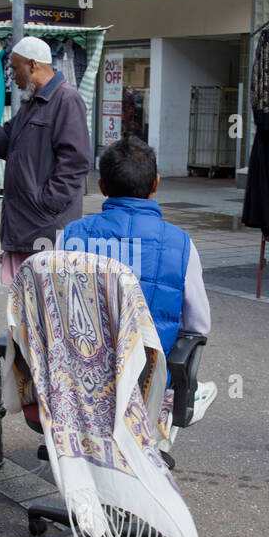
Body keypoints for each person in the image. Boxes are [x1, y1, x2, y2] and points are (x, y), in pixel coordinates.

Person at [59, 137, 216, 426]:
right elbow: (197, 326)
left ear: (103, 187)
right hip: (145, 383)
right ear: (156, 183)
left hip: (77, 378)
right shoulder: (180, 244)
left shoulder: (70, 236)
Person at [0, 36, 90, 285]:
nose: (12, 76)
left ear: (33, 65)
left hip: (44, 225)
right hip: (25, 222)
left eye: (15, 69)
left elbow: (76, 163)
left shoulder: (66, 99)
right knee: (26, 304)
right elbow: (8, 144)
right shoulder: (32, 103)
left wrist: (45, 204)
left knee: (45, 302)